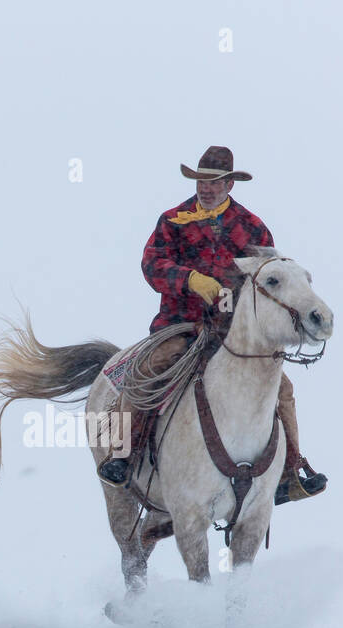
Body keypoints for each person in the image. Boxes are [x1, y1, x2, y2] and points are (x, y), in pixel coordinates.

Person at [96, 146, 326, 504]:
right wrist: (189, 280)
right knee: (149, 370)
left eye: (215, 182)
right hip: (179, 323)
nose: (206, 188)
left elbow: (269, 277)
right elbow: (151, 264)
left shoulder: (252, 228)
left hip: (233, 330)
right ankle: (122, 457)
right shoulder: (173, 220)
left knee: (282, 388)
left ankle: (289, 471)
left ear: (230, 184)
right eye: (201, 180)